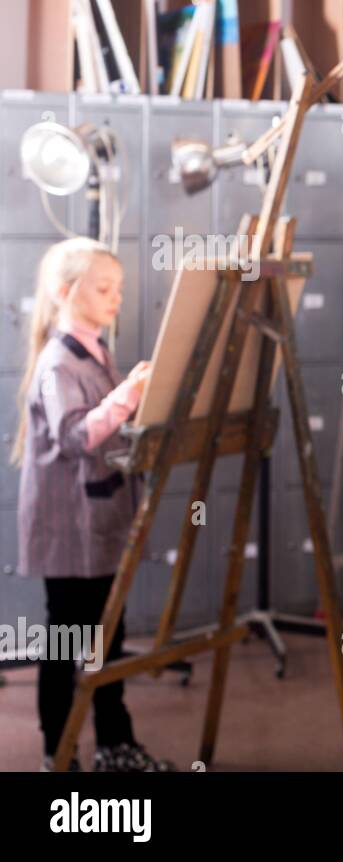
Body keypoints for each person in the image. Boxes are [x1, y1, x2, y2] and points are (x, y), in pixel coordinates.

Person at [12, 237, 172, 772]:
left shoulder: (96, 350)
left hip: (98, 522)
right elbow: (78, 436)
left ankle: (113, 742)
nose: (116, 298)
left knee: (108, 633)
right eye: (104, 288)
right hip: (67, 528)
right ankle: (57, 751)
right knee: (65, 639)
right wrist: (127, 394)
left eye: (118, 289)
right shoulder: (60, 361)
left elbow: (108, 431)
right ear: (65, 292)